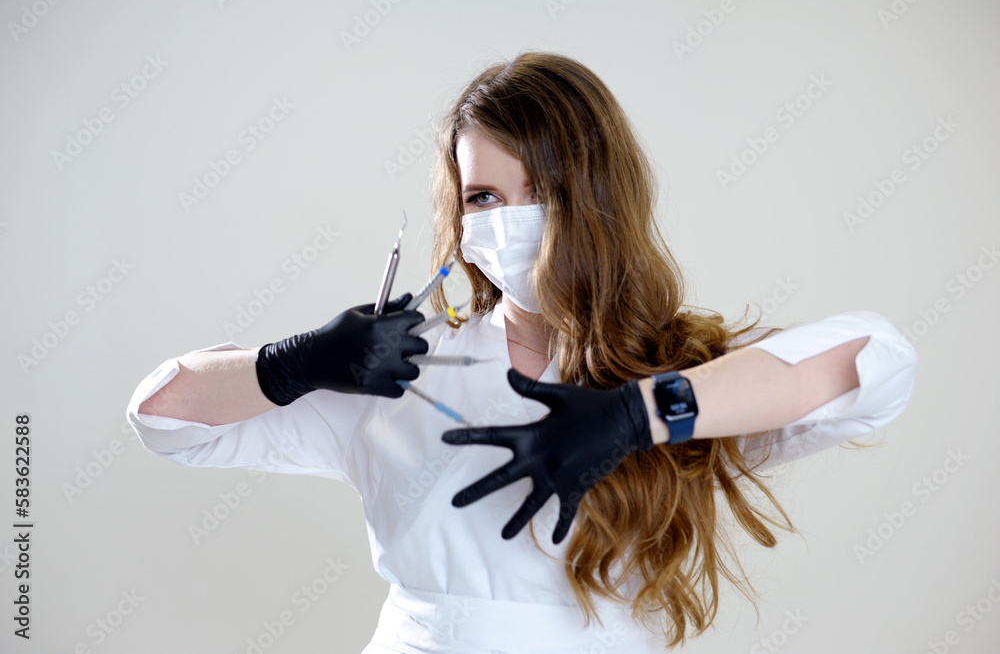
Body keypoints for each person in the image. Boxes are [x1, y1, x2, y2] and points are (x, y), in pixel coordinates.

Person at [127, 51, 918, 653]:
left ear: (600, 196)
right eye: (484, 197)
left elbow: (879, 363)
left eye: (541, 190)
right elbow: (163, 415)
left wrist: (636, 414)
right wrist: (296, 363)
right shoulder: (402, 373)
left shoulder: (685, 374)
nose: (510, 219)